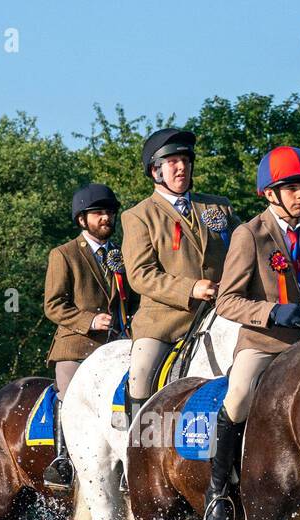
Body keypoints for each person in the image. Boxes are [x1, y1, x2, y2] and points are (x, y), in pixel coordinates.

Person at [207, 146, 300, 520]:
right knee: (239, 396)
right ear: (270, 194)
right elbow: (226, 300)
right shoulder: (250, 234)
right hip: (264, 343)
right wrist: (270, 312)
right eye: (291, 188)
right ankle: (219, 493)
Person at [120, 127, 238, 429]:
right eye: (173, 161)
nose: (182, 167)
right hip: (165, 320)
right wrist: (191, 288)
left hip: (221, 313)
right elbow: (141, 275)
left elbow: (246, 247)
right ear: (155, 170)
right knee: (141, 374)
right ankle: (138, 448)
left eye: (185, 160)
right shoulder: (138, 216)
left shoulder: (217, 206)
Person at [41, 183, 137, 489]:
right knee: (69, 398)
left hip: (117, 346)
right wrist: (90, 319)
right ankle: (62, 460)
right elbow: (53, 305)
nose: (106, 218)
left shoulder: (120, 256)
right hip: (76, 346)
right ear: (82, 219)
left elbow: (132, 300)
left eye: (109, 212)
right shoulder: (64, 254)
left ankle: (130, 462)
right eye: (98, 213)